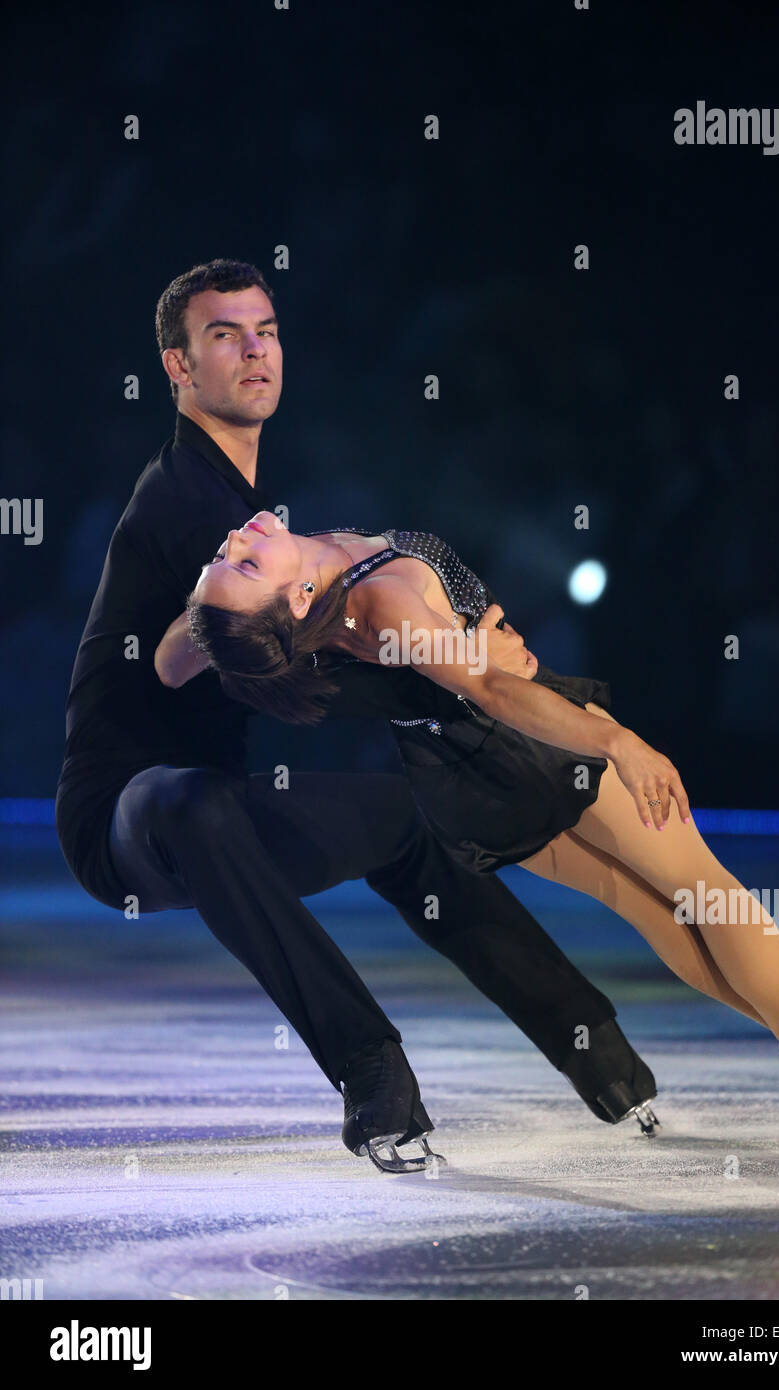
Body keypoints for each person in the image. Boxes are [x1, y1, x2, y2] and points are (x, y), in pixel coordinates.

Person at [55, 258, 659, 1178]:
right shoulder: (184, 498)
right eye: (226, 335)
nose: (256, 350)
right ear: (178, 368)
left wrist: (448, 657)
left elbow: (312, 644)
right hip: (123, 819)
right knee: (190, 804)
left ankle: (598, 1051)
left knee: (403, 829)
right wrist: (457, 675)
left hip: (222, 800)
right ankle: (372, 1070)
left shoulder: (245, 505)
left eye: (267, 330)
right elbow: (186, 664)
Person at [182, 515, 779, 1139]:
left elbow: (187, 651)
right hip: (529, 746)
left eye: (224, 550)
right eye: (243, 566)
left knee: (657, 911)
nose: (238, 538)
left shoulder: (310, 605)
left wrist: (215, 615)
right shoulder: (377, 602)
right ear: (298, 599)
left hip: (468, 782)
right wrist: (618, 745)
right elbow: (494, 690)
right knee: (703, 890)